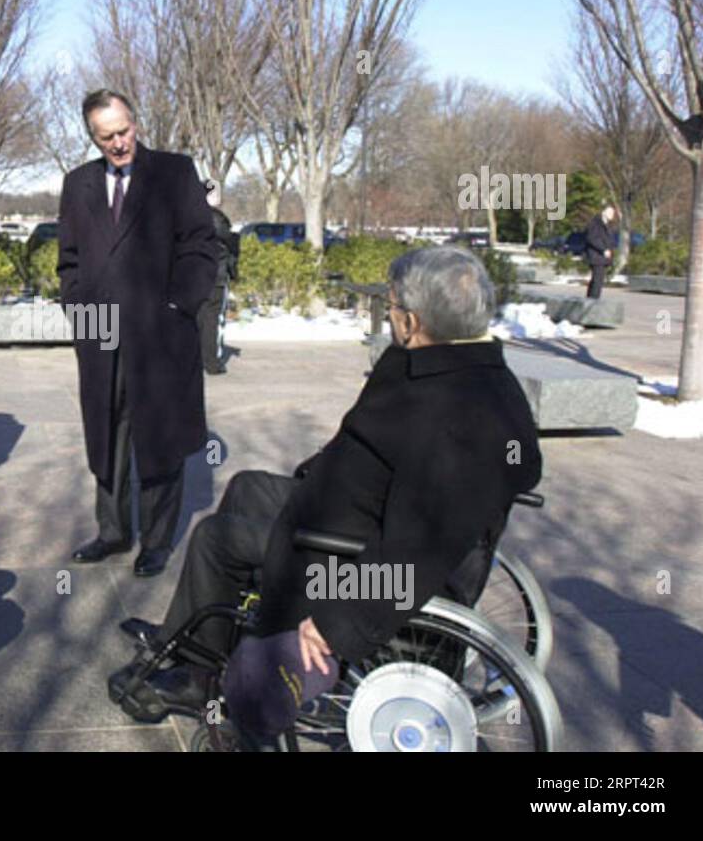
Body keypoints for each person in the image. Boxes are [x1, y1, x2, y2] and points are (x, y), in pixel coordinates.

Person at [110, 246, 542, 744]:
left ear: (413, 321)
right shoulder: (461, 365)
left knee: (216, 537)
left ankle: (197, 677)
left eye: (395, 306)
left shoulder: (458, 417)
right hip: (345, 508)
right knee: (248, 486)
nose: (392, 315)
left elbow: (418, 551)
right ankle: (196, 642)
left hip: (349, 553)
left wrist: (340, 622)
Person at [56, 90, 218, 578]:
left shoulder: (173, 173)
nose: (119, 144)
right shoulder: (78, 183)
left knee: (159, 438)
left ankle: (155, 541)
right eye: (107, 137)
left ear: (134, 122)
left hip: (160, 337)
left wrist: (177, 307)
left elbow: (200, 246)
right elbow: (70, 261)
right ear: (93, 137)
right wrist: (80, 314)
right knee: (107, 435)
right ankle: (112, 532)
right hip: (101, 338)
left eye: (123, 131)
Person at [197, 180, 238, 374]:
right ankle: (211, 362)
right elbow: (231, 243)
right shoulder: (217, 219)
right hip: (215, 276)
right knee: (213, 319)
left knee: (197, 318)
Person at [585, 204, 618, 299]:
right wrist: (603, 249)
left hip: (602, 258)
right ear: (603, 212)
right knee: (597, 281)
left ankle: (590, 300)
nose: (612, 214)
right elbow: (592, 238)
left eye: (613, 213)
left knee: (596, 280)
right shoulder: (595, 223)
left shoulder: (607, 225)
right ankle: (593, 302)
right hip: (597, 257)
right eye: (610, 212)